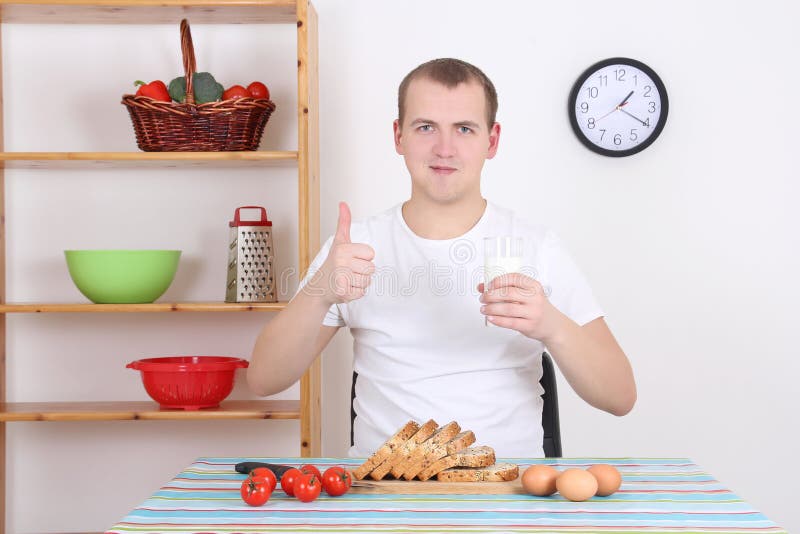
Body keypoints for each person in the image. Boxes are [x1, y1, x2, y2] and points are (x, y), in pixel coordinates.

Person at [248, 58, 636, 458]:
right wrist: (320, 292)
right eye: (425, 127)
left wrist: (552, 325)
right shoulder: (353, 248)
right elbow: (263, 379)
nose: (444, 149)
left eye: (464, 129)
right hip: (385, 502)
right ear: (399, 136)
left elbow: (620, 396)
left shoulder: (536, 246)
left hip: (510, 499)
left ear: (492, 139)